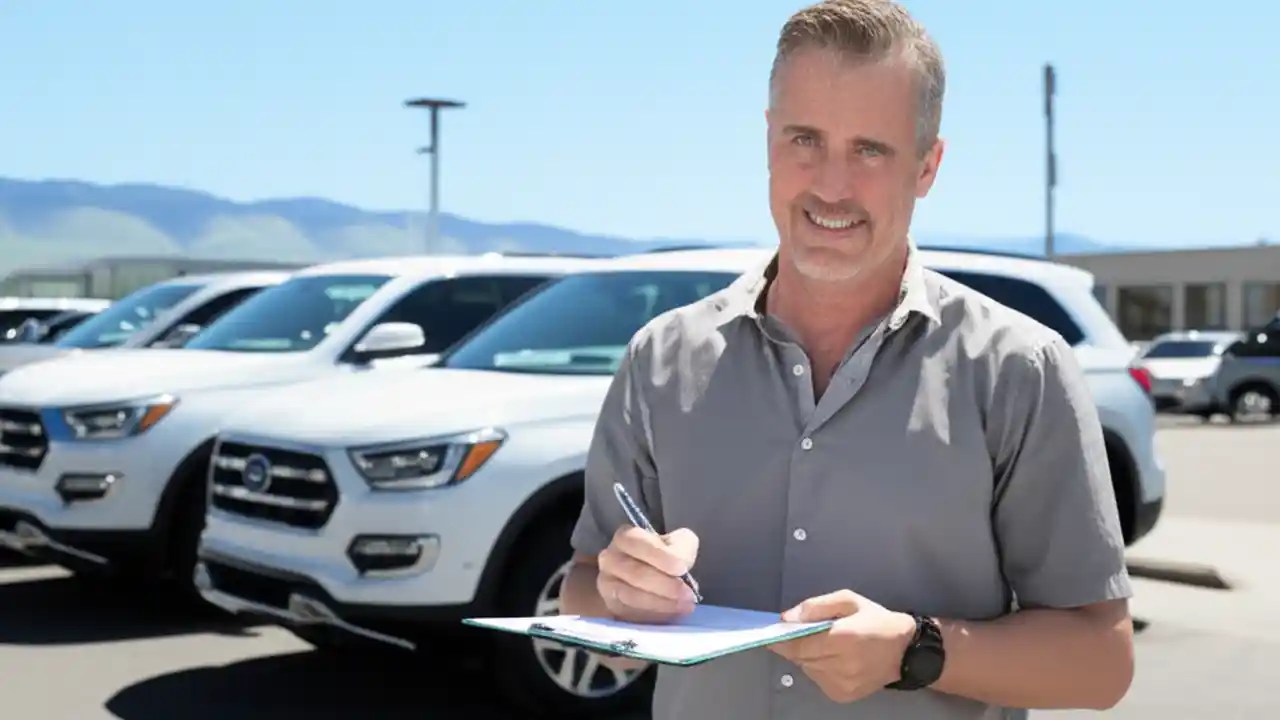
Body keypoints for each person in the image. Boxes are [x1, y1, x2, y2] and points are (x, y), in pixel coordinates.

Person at [559, 0, 1135, 717]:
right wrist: (621, 597)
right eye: (805, 139)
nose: (831, 186)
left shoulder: (1020, 369)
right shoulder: (660, 358)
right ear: (769, 140)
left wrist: (915, 651)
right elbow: (583, 589)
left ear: (927, 166)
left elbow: (1100, 662)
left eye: (870, 150)